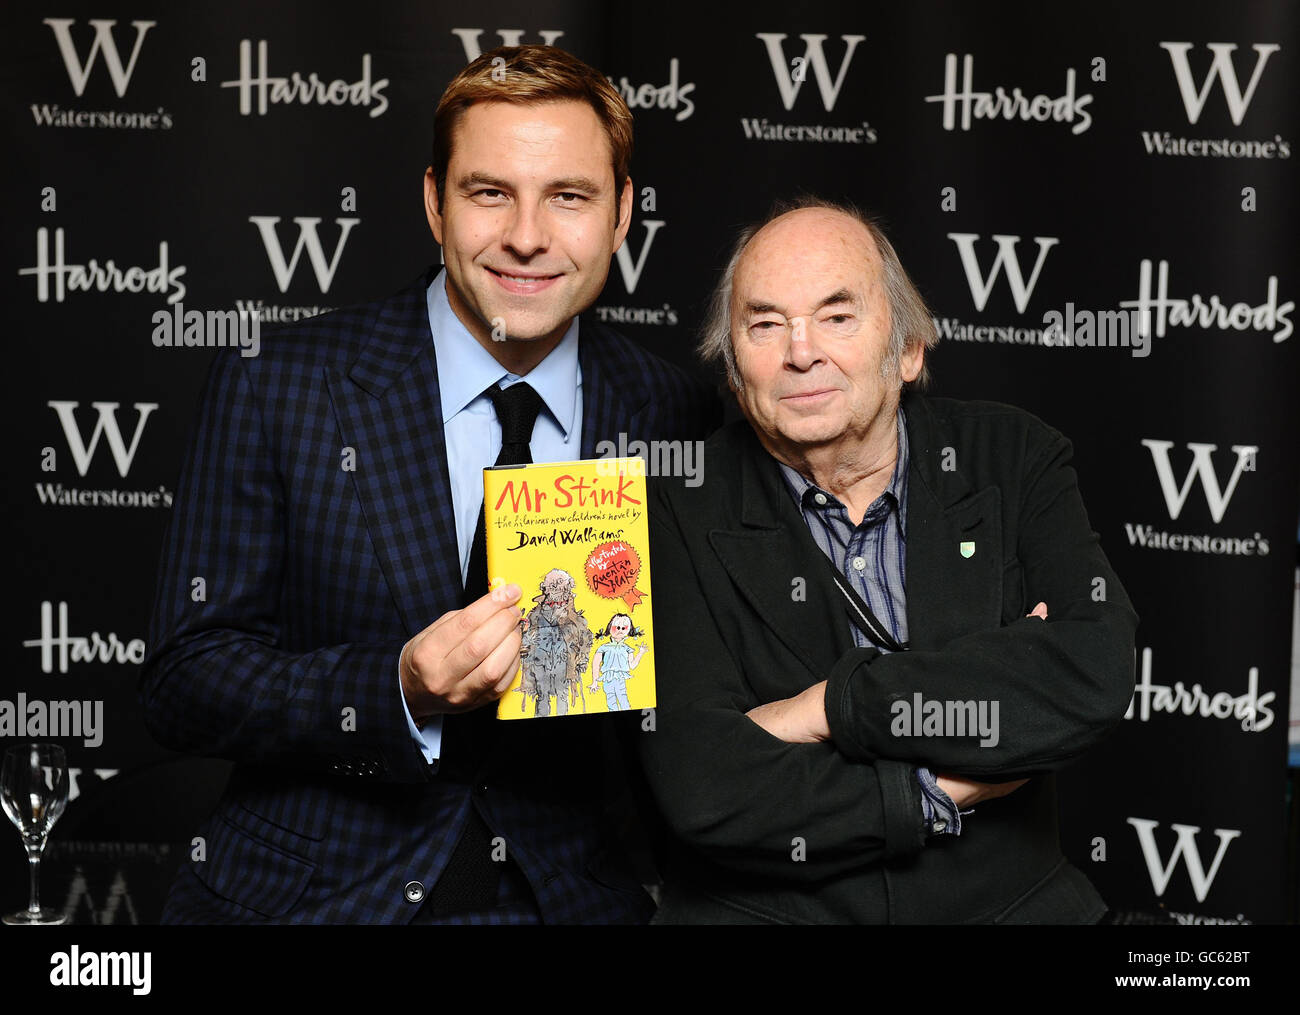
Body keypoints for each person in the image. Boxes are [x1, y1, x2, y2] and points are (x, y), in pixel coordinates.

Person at [139, 45, 719, 924]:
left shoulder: (673, 413)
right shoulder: (281, 384)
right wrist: (397, 686)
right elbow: (184, 681)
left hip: (567, 903)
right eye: (490, 192)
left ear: (622, 214)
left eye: (569, 196)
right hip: (314, 900)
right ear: (434, 205)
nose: (527, 235)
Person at [639, 197, 1138, 924]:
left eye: (837, 316)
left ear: (907, 350)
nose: (800, 350)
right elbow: (703, 784)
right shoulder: (670, 504)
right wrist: (935, 789)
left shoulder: (1014, 457)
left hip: (1009, 906)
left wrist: (829, 708)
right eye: (765, 323)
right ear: (734, 370)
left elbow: (1094, 672)